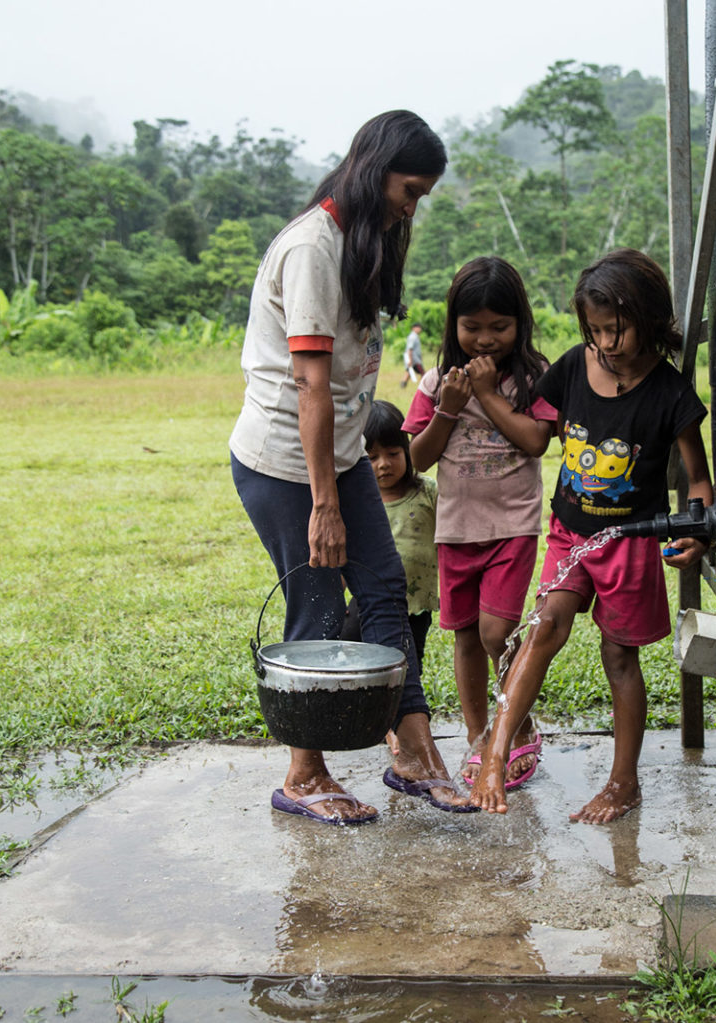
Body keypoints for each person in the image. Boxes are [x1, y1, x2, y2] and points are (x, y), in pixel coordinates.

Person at [229, 110, 474, 824]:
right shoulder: (312, 248)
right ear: (375, 170)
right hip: (285, 468)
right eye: (409, 189)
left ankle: (415, 754)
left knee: (384, 588)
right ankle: (304, 775)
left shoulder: (358, 242)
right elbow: (310, 385)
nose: (412, 205)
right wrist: (324, 504)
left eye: (422, 194)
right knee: (316, 606)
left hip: (338, 459)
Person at [469, 248, 713, 824]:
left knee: (619, 656)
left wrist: (698, 531)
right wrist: (484, 397)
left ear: (650, 318)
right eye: (595, 330)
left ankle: (623, 781)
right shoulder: (576, 367)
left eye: (617, 329)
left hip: (630, 539)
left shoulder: (671, 393)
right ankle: (494, 757)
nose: (606, 343)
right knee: (545, 627)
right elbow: (535, 437)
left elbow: (698, 479)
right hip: (569, 531)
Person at [403, 257, 556, 790]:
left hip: (513, 524)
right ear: (453, 325)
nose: (485, 339)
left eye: (499, 326)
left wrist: (487, 395)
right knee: (465, 637)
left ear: (520, 323)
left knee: (497, 633)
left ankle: (517, 721)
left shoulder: (533, 378)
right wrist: (448, 406)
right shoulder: (435, 382)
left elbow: (536, 440)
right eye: (472, 327)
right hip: (457, 528)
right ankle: (479, 736)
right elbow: (417, 459)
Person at [339, 399, 438, 671]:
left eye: (393, 453)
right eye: (371, 458)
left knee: (407, 666)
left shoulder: (428, 493)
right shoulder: (358, 501)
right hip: (366, 601)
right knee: (352, 655)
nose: (384, 464)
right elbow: (344, 556)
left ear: (407, 450)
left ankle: (401, 711)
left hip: (415, 607)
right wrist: (337, 600)